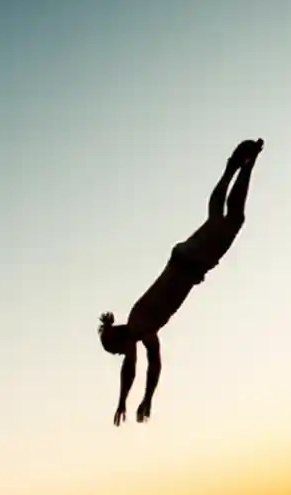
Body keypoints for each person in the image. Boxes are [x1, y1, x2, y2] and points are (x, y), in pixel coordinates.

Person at [98, 138, 263, 426]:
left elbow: (134, 369)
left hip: (191, 263)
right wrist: (147, 398)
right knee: (219, 218)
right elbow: (155, 365)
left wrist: (125, 400)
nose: (124, 355)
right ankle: (237, 168)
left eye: (119, 351)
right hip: (187, 260)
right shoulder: (145, 330)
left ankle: (242, 167)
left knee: (232, 219)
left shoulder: (139, 323)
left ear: (120, 342)